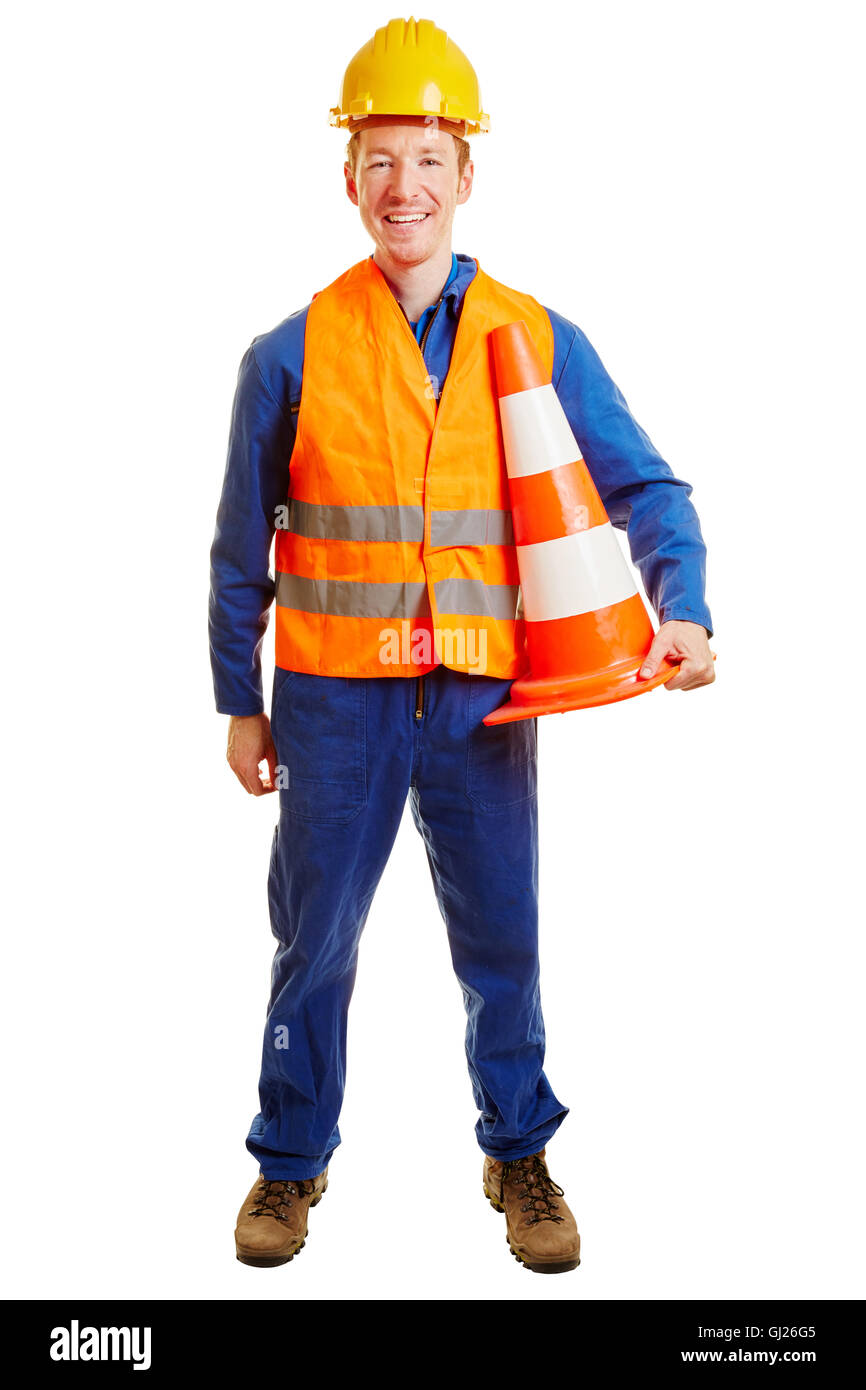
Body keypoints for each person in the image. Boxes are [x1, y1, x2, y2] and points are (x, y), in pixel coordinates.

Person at [209, 17, 715, 1275]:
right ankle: (288, 1164)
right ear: (347, 177)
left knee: (501, 937)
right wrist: (240, 697)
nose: (403, 188)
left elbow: (643, 485)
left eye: (426, 158)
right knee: (314, 935)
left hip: (483, 695)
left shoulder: (531, 335)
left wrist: (684, 606)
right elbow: (246, 540)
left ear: (465, 173)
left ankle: (518, 1148)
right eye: (380, 158)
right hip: (331, 701)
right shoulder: (290, 353)